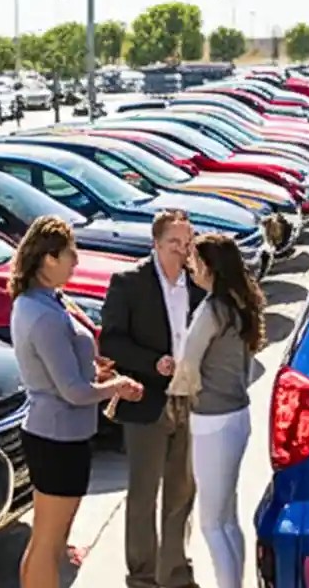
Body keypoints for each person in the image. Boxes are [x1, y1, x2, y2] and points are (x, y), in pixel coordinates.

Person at [10, 216, 145, 588]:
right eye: (70, 254)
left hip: (58, 435)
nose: (76, 261)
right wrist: (115, 385)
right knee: (48, 543)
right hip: (57, 439)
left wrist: (97, 375)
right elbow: (72, 390)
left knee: (46, 541)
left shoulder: (41, 301)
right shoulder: (42, 315)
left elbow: (67, 376)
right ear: (48, 259)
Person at [100, 209, 206, 588]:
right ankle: (143, 577)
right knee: (144, 495)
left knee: (182, 493)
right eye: (174, 242)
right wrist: (152, 363)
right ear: (156, 244)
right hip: (148, 402)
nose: (182, 249)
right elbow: (110, 340)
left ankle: (176, 573)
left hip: (188, 400)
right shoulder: (130, 283)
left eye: (187, 241)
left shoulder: (198, 284)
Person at [166, 233, 267, 588]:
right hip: (238, 417)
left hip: (212, 420)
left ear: (209, 266)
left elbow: (189, 364)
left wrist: (175, 385)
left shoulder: (212, 309)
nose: (190, 267)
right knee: (227, 518)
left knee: (211, 522)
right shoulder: (241, 304)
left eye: (194, 261)